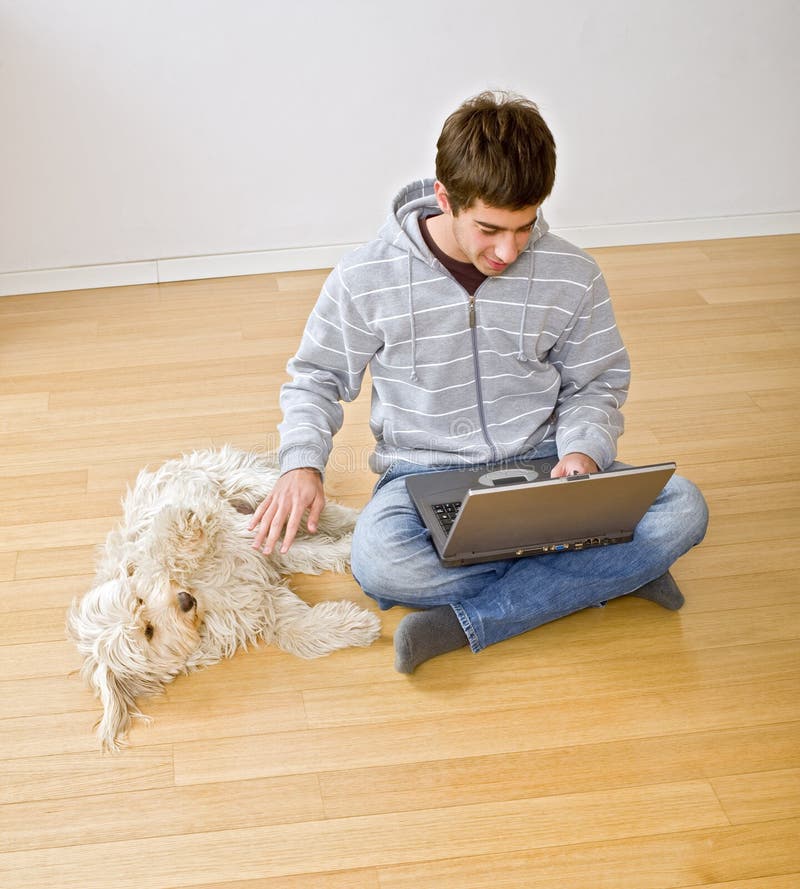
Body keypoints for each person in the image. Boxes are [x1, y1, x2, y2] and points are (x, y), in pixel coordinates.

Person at [250, 90, 709, 673]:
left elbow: (596, 383)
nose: (508, 250)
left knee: (684, 507)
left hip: (547, 465)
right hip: (426, 474)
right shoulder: (366, 277)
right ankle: (611, 574)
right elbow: (315, 377)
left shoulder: (574, 274)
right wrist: (301, 463)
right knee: (381, 563)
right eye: (490, 228)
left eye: (525, 227)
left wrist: (583, 453)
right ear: (446, 198)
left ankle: (474, 620)